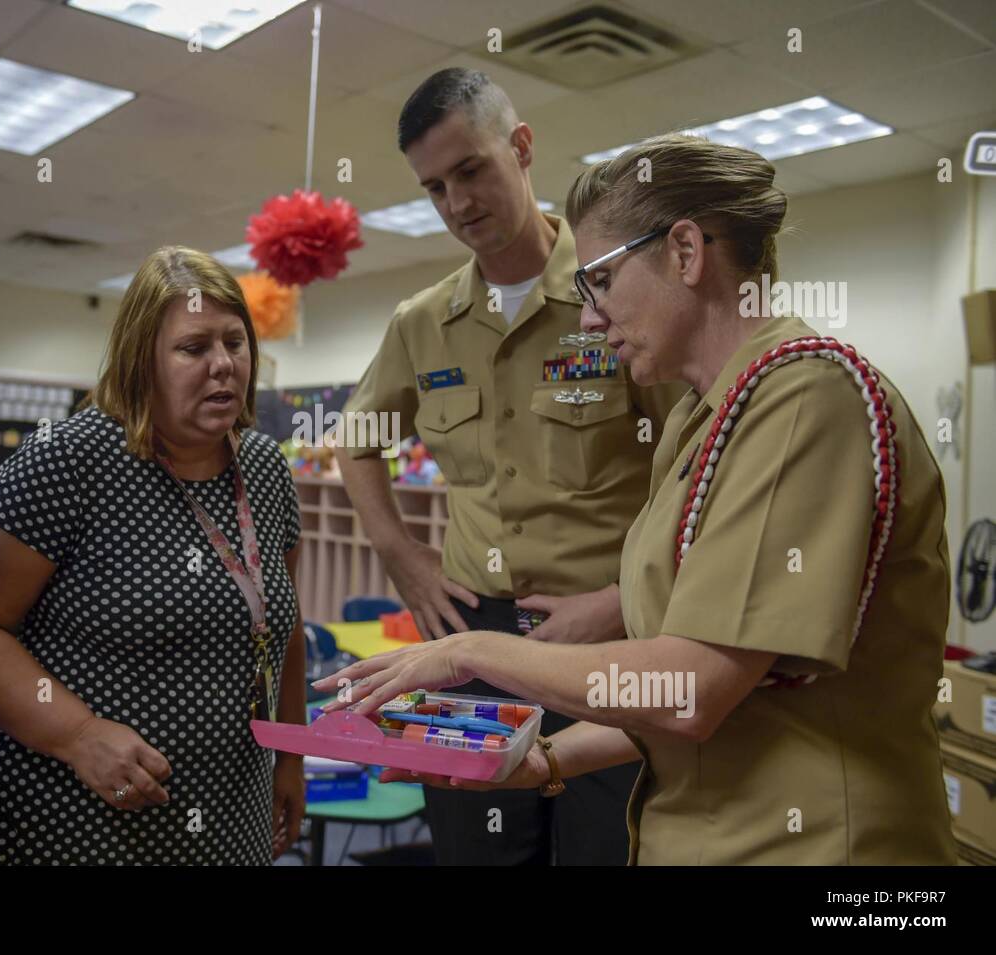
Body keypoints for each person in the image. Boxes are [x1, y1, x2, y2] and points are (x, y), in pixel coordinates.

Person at [318, 133, 956, 865]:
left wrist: (469, 651)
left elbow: (693, 687)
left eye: (600, 281)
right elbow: (701, 677)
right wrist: (545, 758)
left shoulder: (805, 399)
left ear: (684, 252)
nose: (588, 317)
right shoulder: (698, 419)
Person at [335, 68, 684, 865]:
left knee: (607, 851)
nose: (457, 202)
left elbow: (699, 466)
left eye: (471, 170)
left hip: (609, 635)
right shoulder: (422, 324)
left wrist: (622, 598)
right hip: (472, 637)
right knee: (476, 852)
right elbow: (357, 438)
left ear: (522, 147)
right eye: (434, 188)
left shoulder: (614, 299)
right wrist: (401, 553)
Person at [0, 246, 306, 865]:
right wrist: (78, 733)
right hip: (51, 817)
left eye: (235, 342)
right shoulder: (69, 461)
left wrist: (290, 756)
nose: (224, 364)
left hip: (221, 817)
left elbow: (284, 626)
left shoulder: (264, 468)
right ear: (142, 360)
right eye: (194, 347)